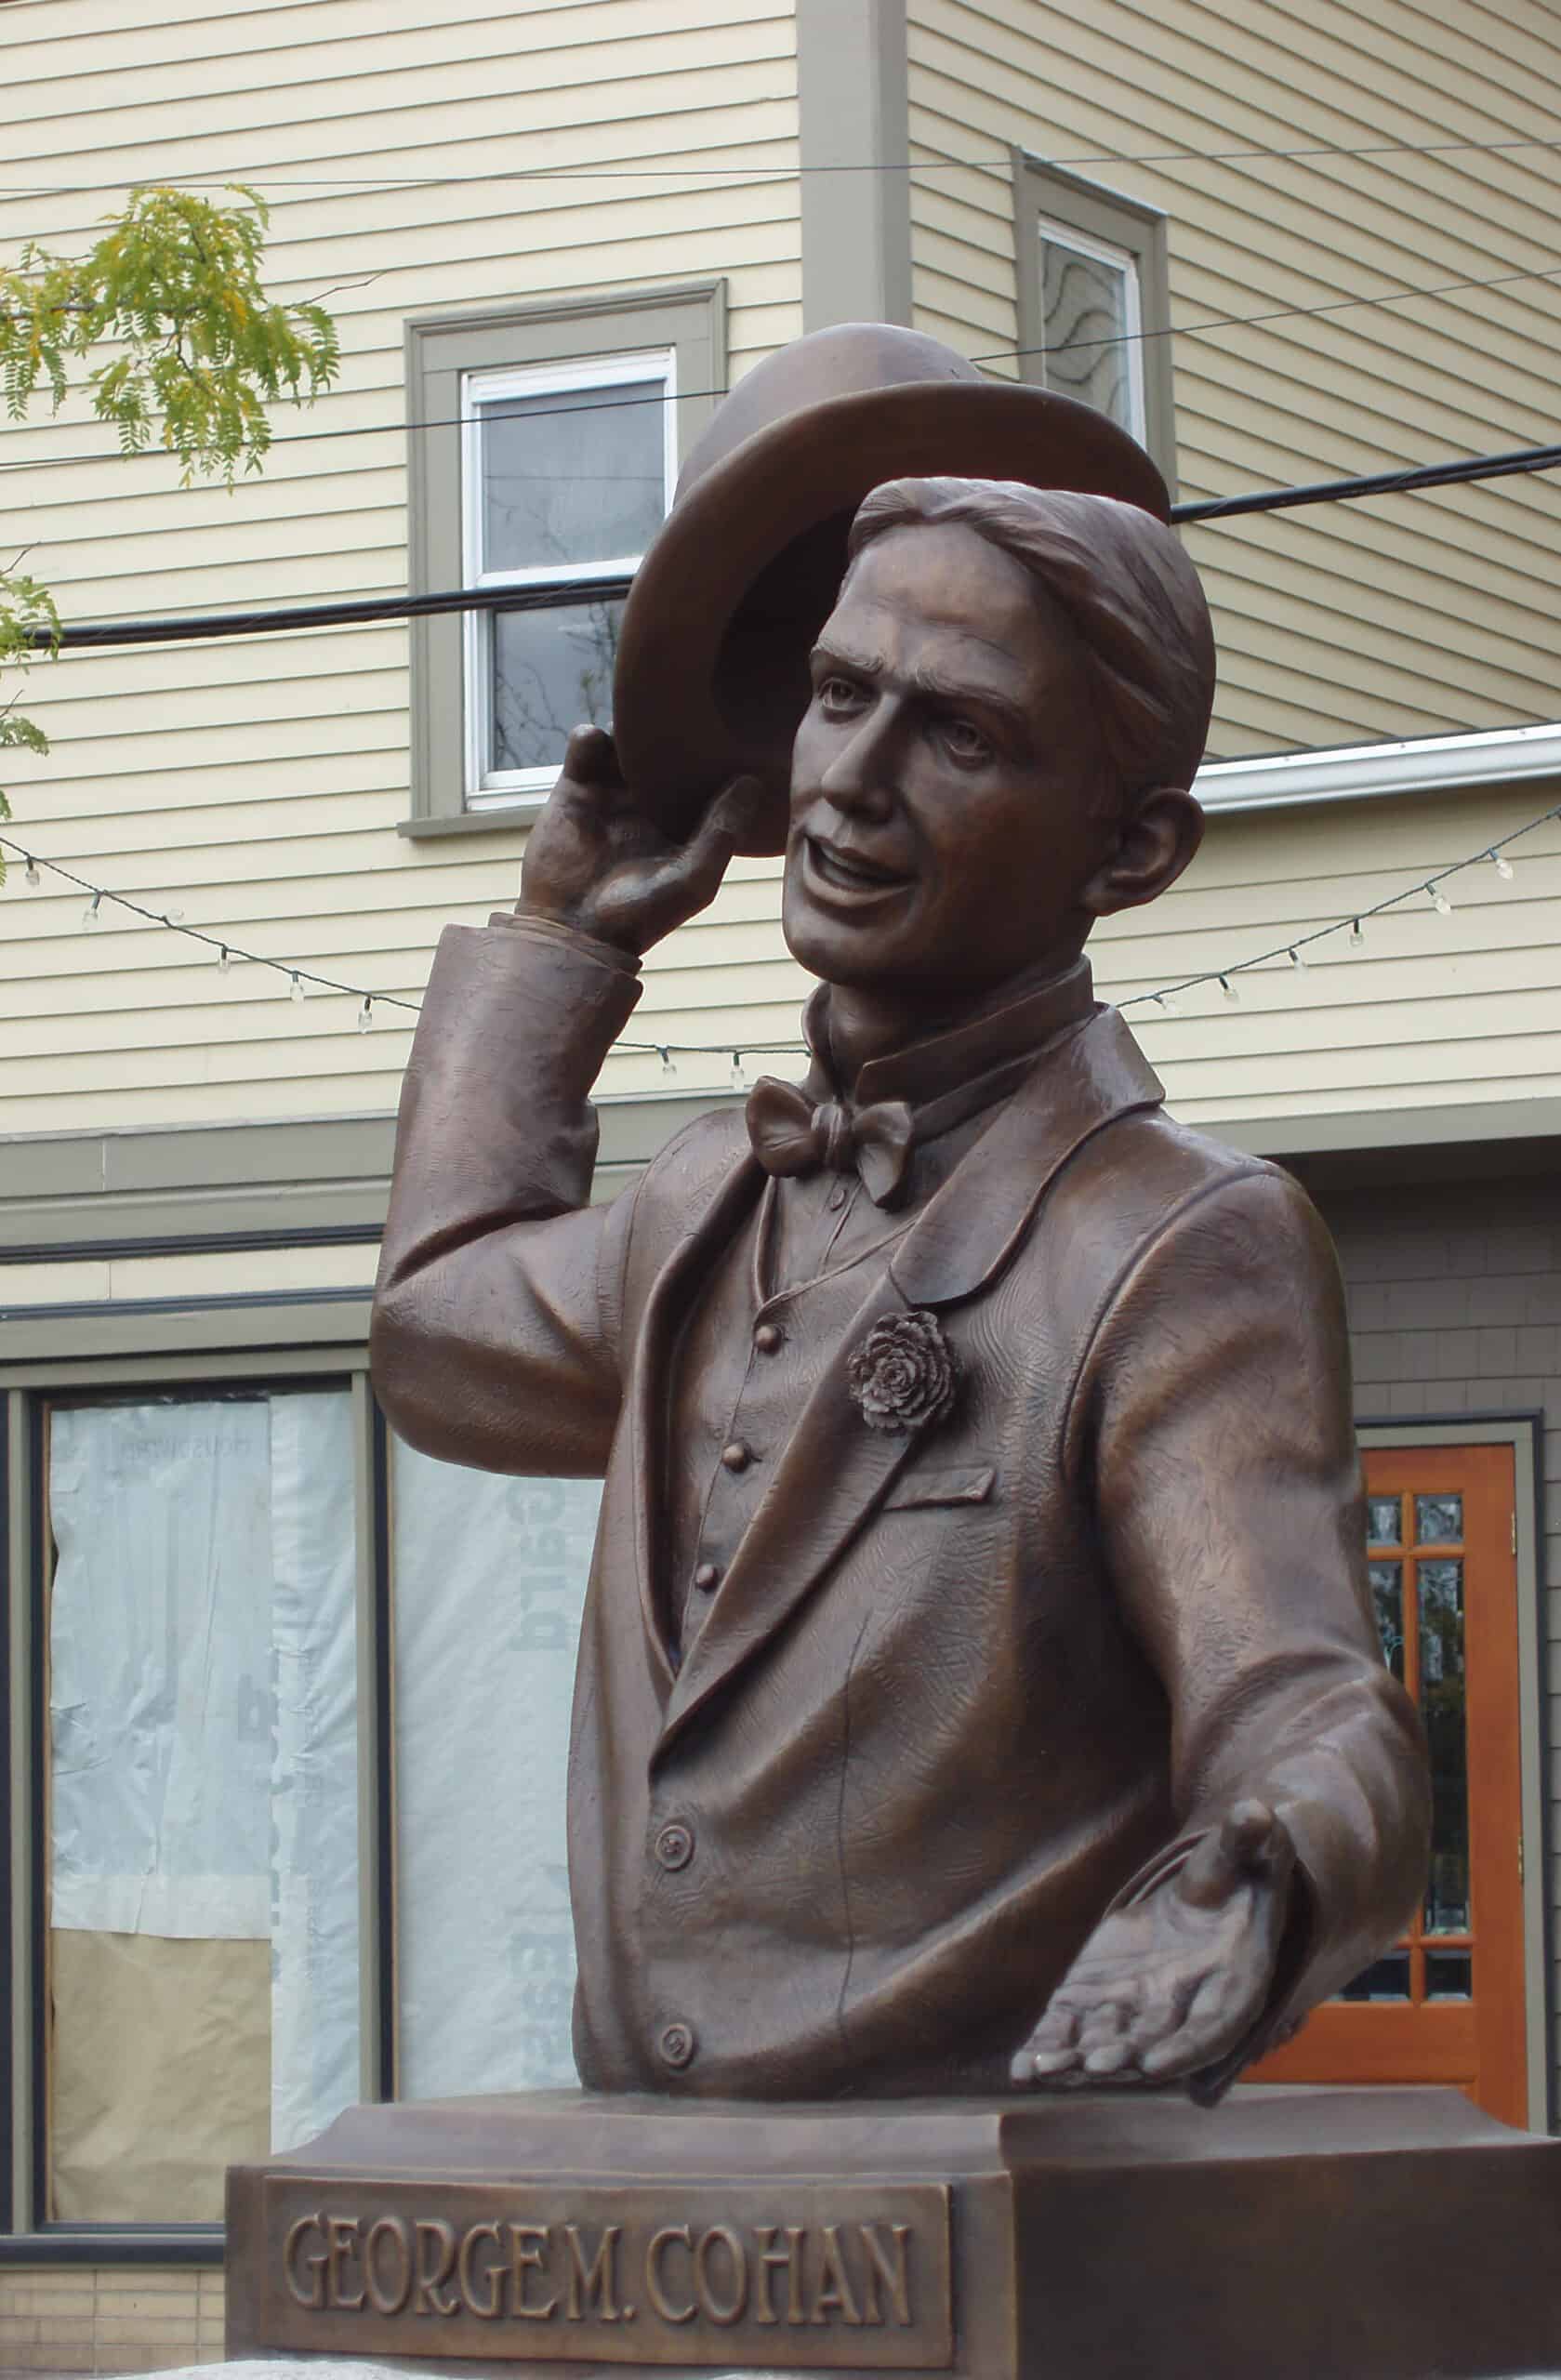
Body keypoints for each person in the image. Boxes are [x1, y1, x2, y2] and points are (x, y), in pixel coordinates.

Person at [371, 470, 1429, 2104]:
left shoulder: (1176, 1242)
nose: (850, 782)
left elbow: (1291, 1688)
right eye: (840, 696)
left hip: (966, 2217)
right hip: (656, 2223)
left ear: (1130, 847)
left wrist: (1265, 1872)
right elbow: (436, 1341)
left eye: (959, 736)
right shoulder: (704, 1198)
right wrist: (562, 948)